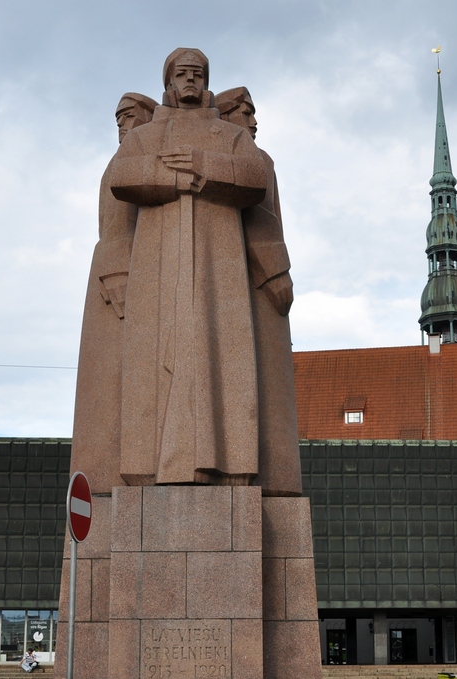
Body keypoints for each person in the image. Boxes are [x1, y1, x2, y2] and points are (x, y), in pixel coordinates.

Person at [107, 48, 273, 488]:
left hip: (222, 274)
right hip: (156, 268)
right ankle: (158, 464)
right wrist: (174, 177)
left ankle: (224, 462)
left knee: (218, 359)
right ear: (168, 82)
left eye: (198, 75)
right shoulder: (146, 137)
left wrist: (202, 167)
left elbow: (256, 178)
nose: (191, 82)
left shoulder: (228, 136)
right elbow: (121, 178)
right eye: (182, 74)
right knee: (158, 362)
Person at [214, 86, 302, 496]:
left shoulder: (254, 160)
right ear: (229, 117)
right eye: (246, 113)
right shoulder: (253, 161)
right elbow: (264, 224)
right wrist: (276, 274)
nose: (253, 121)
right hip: (253, 285)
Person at [68, 91, 158, 491]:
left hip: (132, 273)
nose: (122, 125)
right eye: (119, 119)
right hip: (118, 279)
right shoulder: (123, 163)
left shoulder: (136, 160)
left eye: (129, 117)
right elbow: (116, 227)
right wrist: (117, 274)